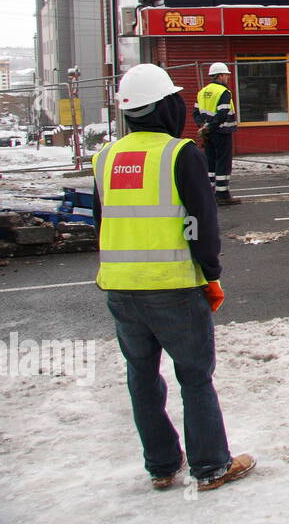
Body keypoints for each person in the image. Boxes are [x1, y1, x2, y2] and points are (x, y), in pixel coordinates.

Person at [94, 63, 254, 492]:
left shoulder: (105, 157)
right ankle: (211, 466)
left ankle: (162, 465)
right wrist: (211, 273)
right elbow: (202, 223)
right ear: (164, 106)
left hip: (120, 289)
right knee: (195, 377)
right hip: (174, 286)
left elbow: (102, 221)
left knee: (141, 378)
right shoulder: (179, 154)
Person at [194, 62, 240, 206]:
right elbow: (222, 114)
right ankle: (222, 195)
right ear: (220, 76)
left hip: (208, 134)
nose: (227, 77)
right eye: (226, 75)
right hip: (222, 132)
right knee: (223, 163)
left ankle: (210, 193)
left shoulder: (202, 92)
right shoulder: (223, 92)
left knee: (211, 163)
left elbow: (196, 113)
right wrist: (210, 127)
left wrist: (203, 128)